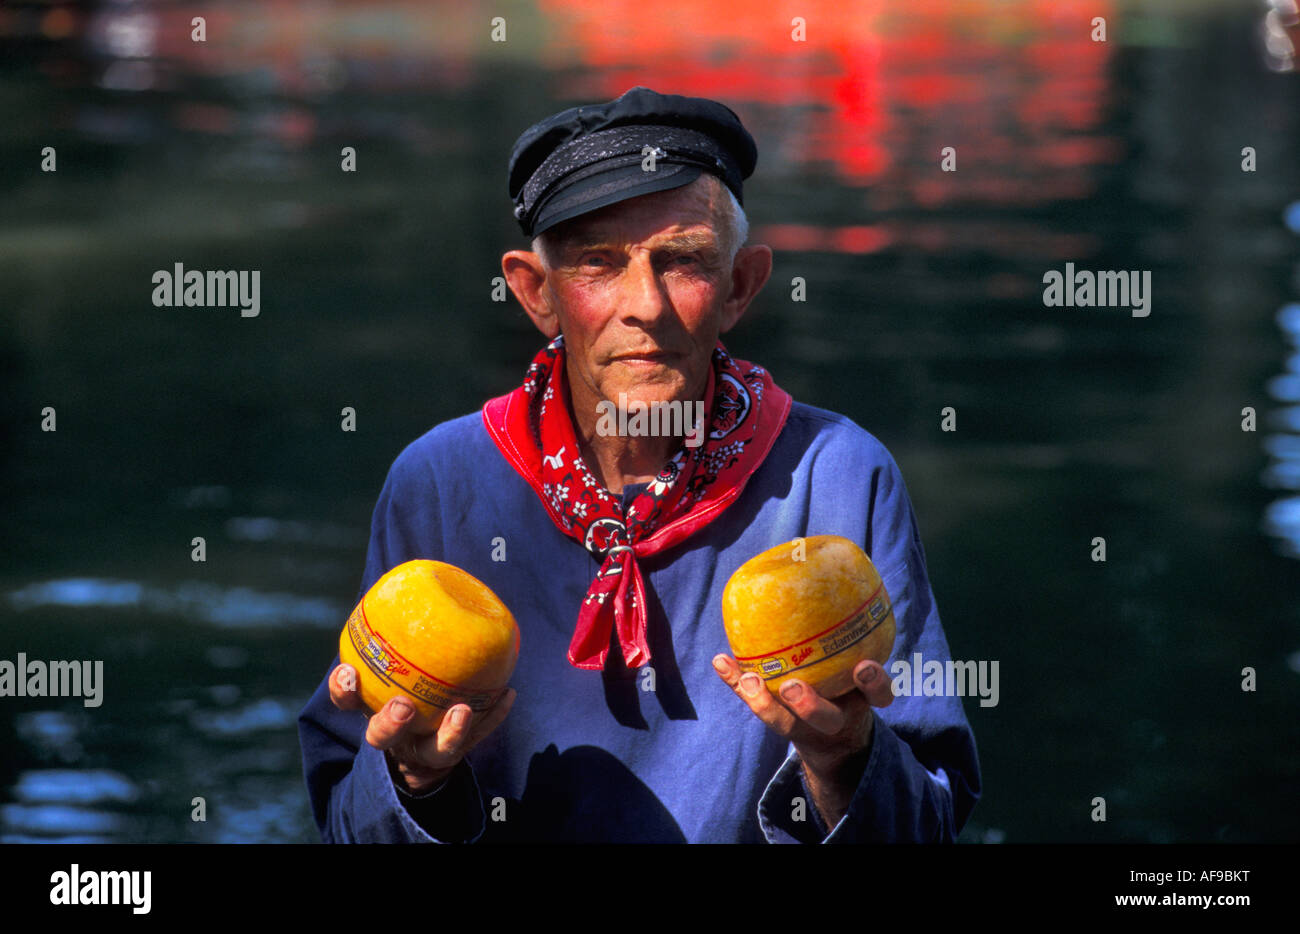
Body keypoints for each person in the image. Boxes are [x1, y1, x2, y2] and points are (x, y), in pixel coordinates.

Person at [297, 86, 980, 843]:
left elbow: (931, 826)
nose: (644, 306)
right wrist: (416, 778)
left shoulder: (838, 477)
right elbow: (346, 824)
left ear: (740, 286)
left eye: (682, 261)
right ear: (536, 292)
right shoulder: (439, 483)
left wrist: (844, 759)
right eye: (598, 264)